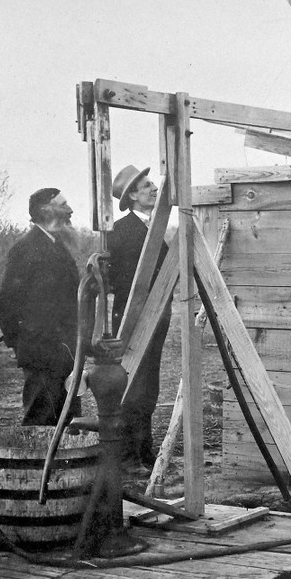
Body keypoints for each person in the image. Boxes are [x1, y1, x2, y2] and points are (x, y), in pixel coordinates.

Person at [0, 188, 82, 426]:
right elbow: (5, 300)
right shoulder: (25, 248)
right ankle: (34, 464)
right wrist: (21, 341)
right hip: (40, 352)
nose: (70, 210)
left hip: (65, 351)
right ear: (46, 210)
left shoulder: (58, 246)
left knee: (69, 418)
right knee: (40, 417)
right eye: (64, 205)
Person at [109, 165, 170, 476]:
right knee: (132, 386)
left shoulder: (154, 229)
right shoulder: (119, 232)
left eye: (152, 185)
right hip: (132, 321)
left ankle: (144, 451)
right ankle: (128, 457)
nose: (153, 190)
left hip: (157, 318)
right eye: (146, 186)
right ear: (132, 195)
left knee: (148, 388)